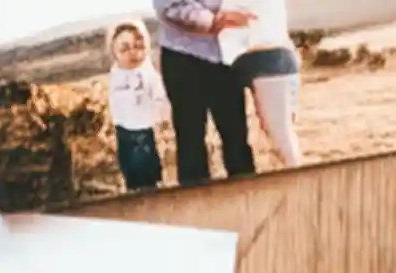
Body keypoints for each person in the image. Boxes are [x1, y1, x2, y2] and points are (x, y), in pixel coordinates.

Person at [152, 0, 258, 186]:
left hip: (227, 55)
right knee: (190, 139)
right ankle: (196, 206)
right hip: (184, 56)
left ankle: (248, 200)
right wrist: (215, 21)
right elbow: (169, 6)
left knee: (237, 135)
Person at [218, 0, 304, 167]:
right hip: (268, 57)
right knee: (278, 136)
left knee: (281, 139)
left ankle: (300, 185)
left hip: (267, 57)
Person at [105, 20, 168, 192]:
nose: (132, 54)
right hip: (124, 131)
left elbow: (160, 98)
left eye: (137, 47)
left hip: (144, 131)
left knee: (147, 171)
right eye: (124, 49)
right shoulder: (116, 76)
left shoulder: (149, 74)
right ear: (114, 52)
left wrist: (157, 116)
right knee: (130, 171)